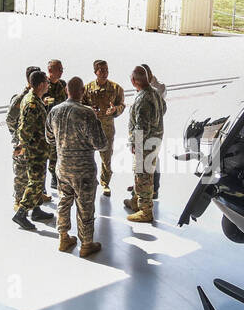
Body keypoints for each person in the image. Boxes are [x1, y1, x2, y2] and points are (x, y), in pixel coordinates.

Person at [45, 76, 108, 257]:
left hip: (62, 167)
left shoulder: (54, 111)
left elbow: (49, 138)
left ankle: (63, 237)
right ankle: (86, 244)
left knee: (64, 202)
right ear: (83, 92)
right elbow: (101, 143)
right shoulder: (86, 113)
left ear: (67, 91)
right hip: (83, 170)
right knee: (85, 206)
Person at [13, 71, 55, 230]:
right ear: (41, 84)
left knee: (38, 179)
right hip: (35, 150)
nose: (48, 85)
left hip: (39, 149)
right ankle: (21, 213)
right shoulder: (32, 103)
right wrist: (22, 146)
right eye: (46, 82)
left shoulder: (34, 100)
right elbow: (24, 129)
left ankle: (36, 210)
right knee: (36, 182)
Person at [124, 65, 165, 223]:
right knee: (140, 173)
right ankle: (136, 201)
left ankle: (145, 210)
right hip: (155, 140)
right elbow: (164, 109)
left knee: (144, 175)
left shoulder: (142, 99)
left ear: (134, 81)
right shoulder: (154, 93)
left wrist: (135, 143)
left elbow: (141, 126)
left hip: (145, 144)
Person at [82, 60, 125, 196]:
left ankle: (105, 183)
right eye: (101, 70)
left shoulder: (116, 88)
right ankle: (89, 180)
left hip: (107, 128)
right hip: (90, 129)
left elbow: (121, 105)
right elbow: (80, 104)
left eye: (106, 70)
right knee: (88, 156)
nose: (104, 73)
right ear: (95, 72)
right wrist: (89, 109)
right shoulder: (87, 88)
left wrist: (115, 110)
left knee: (107, 158)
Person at [8, 66, 44, 210]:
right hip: (23, 141)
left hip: (32, 142)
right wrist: (17, 137)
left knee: (33, 175)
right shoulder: (23, 98)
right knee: (21, 174)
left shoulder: (35, 97)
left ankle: (35, 204)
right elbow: (10, 119)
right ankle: (19, 201)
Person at [40, 59, 68, 189]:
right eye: (59, 69)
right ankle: (41, 186)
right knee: (43, 156)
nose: (62, 72)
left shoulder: (63, 84)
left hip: (60, 126)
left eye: (62, 69)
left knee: (56, 154)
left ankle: (54, 177)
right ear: (50, 71)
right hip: (46, 126)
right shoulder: (43, 85)